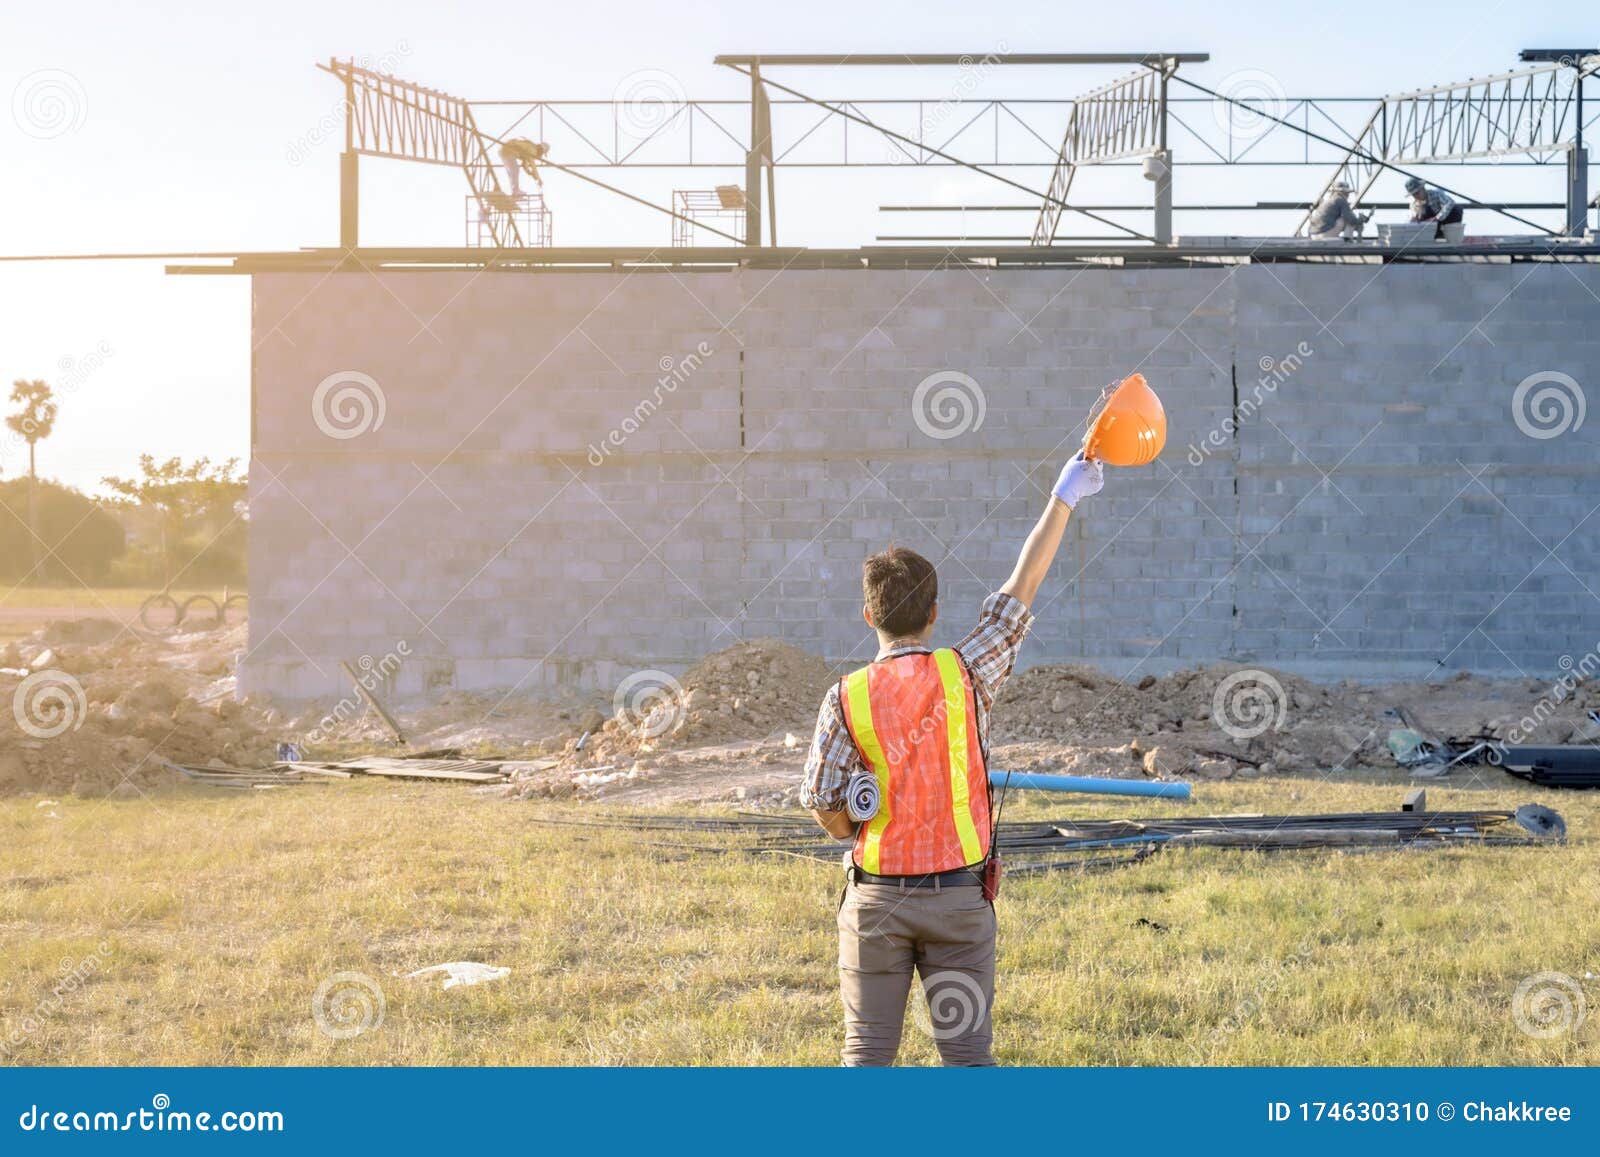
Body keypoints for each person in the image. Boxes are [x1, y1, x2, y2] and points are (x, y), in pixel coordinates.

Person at [800, 450, 1106, 1066]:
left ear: (868, 617)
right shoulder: (966, 674)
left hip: (876, 903)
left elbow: (820, 802)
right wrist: (1063, 498)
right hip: (960, 904)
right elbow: (1019, 591)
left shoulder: (847, 695)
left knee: (865, 1058)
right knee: (968, 1061)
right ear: (935, 614)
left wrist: (854, 822)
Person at [1406, 176, 1464, 242]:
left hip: (1447, 221)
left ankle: (1448, 235)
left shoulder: (1436, 194)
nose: (1416, 196)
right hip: (1431, 227)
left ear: (1423, 189)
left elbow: (1449, 203)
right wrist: (1415, 219)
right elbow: (1412, 217)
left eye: (1417, 193)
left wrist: (1437, 218)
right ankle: (1433, 237)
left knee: (1456, 208)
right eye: (1413, 194)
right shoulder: (1414, 204)